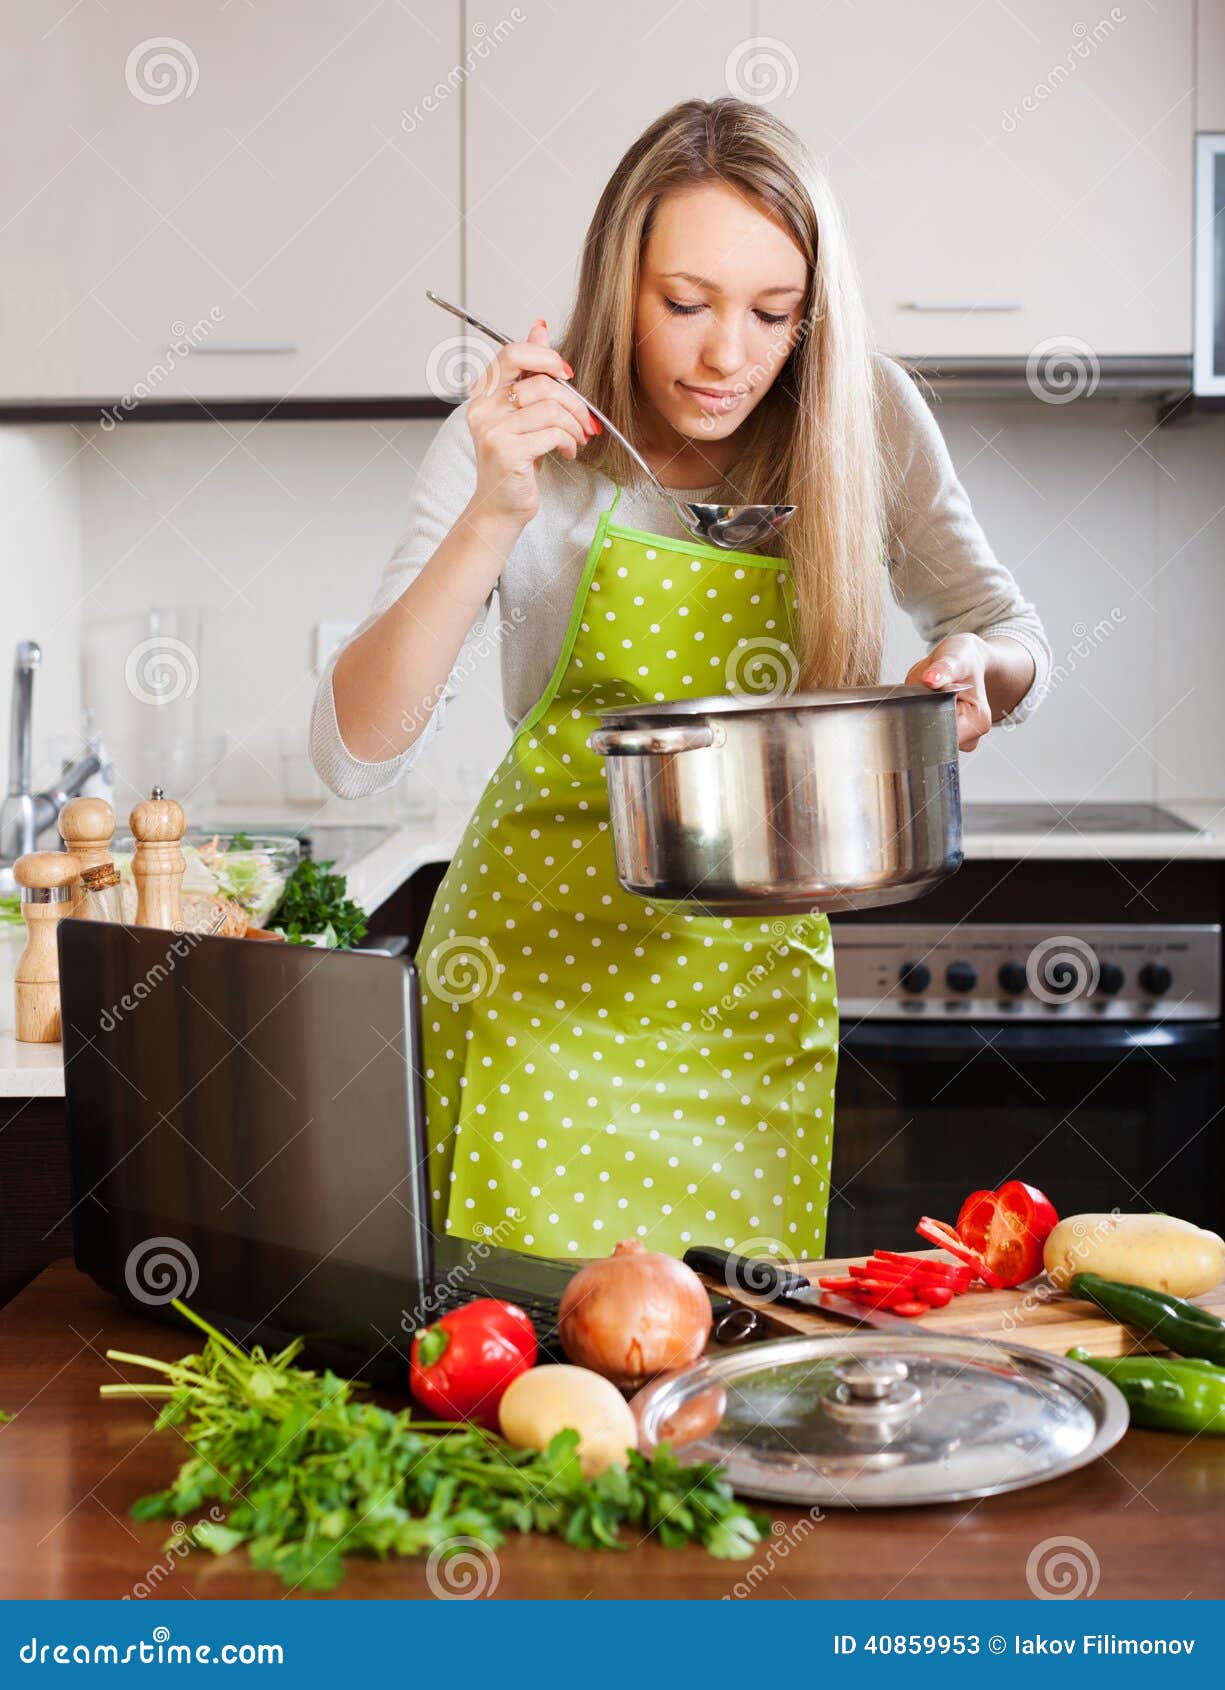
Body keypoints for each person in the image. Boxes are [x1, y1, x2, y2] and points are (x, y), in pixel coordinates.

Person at [311, 97, 1050, 1262]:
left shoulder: (866, 416)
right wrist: (494, 508)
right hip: (533, 994)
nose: (725, 356)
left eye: (772, 314)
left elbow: (1006, 628)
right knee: (528, 1404)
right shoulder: (514, 439)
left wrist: (978, 670)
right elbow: (354, 755)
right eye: (684, 304)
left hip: (747, 1004)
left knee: (729, 1398)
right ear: (621, 283)